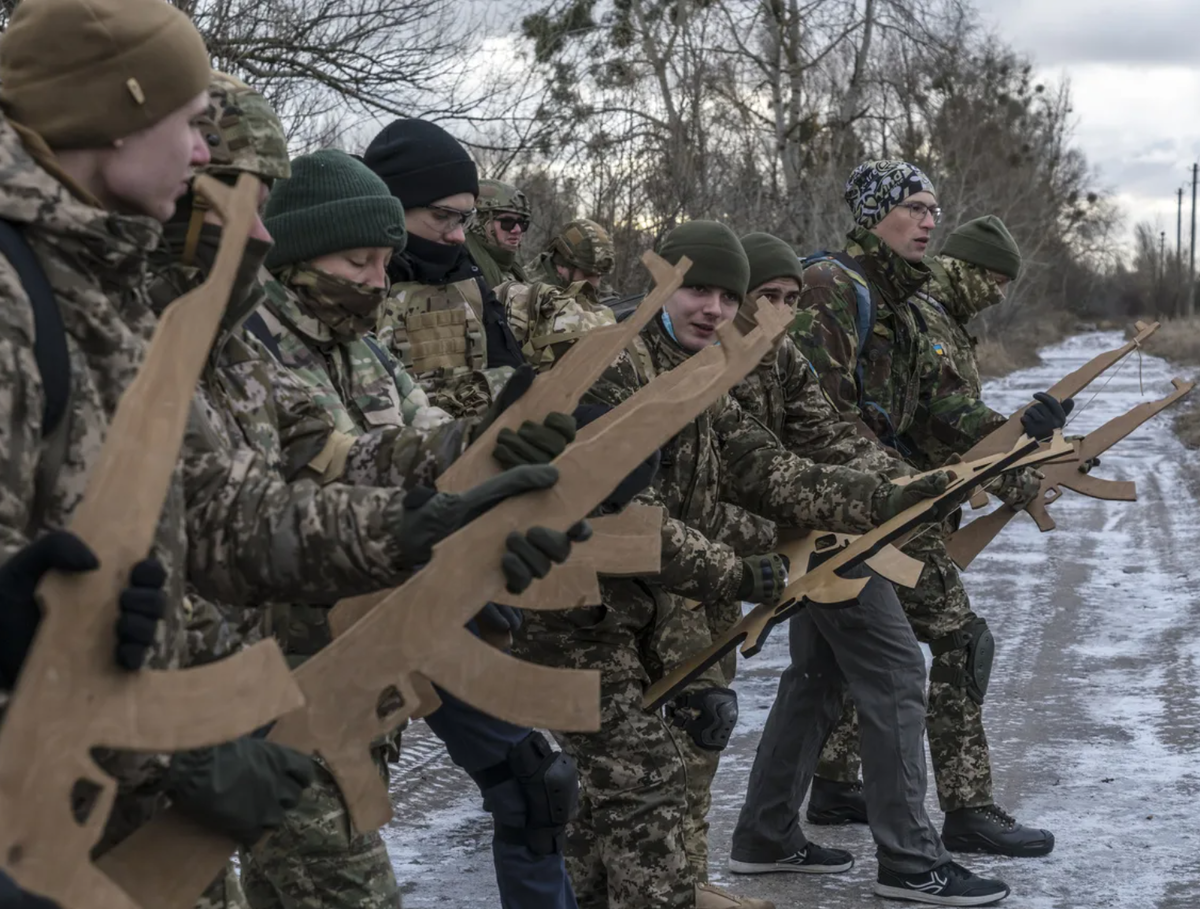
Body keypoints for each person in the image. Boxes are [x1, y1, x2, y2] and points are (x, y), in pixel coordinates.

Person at [0, 6, 583, 907]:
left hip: (145, 779)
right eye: (189, 129)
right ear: (114, 111)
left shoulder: (105, 299)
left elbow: (222, 514)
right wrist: (177, 737)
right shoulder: (26, 300)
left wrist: (434, 517)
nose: (202, 159)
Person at [517, 219, 952, 909]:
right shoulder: (614, 365)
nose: (713, 309)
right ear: (663, 284)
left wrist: (888, 497)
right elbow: (628, 517)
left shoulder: (704, 371)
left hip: (636, 610)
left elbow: (768, 467)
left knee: (615, 800)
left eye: (727, 295)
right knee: (648, 782)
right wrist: (736, 573)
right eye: (697, 291)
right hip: (574, 616)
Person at [259, 148, 586, 909]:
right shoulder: (252, 351)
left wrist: (500, 465)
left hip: (381, 646)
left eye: (383, 260)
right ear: (302, 251)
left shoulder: (366, 352)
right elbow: (326, 462)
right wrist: (456, 457)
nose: (379, 277)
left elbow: (434, 428)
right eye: (358, 259)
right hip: (287, 673)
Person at [792, 163, 1061, 865]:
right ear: (877, 213)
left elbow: (936, 410)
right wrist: (931, 481)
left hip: (887, 499)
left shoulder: (899, 297)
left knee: (825, 670)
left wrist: (1020, 444)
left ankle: (809, 800)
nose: (929, 220)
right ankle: (963, 812)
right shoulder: (839, 287)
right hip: (864, 506)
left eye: (934, 209)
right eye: (914, 207)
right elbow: (821, 419)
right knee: (958, 638)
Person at [364, 119, 525, 417]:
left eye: (464, 219)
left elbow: (515, 381)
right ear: (392, 210)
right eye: (442, 216)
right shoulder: (351, 285)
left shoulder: (464, 274)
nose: (458, 235)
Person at [495, 218, 618, 371]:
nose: (596, 283)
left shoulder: (590, 286)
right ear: (561, 266)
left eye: (600, 276)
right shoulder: (524, 295)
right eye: (588, 274)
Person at [466, 178, 532, 288]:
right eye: (507, 222)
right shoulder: (465, 266)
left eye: (522, 223)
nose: (517, 230)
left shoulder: (512, 269)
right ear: (481, 223)